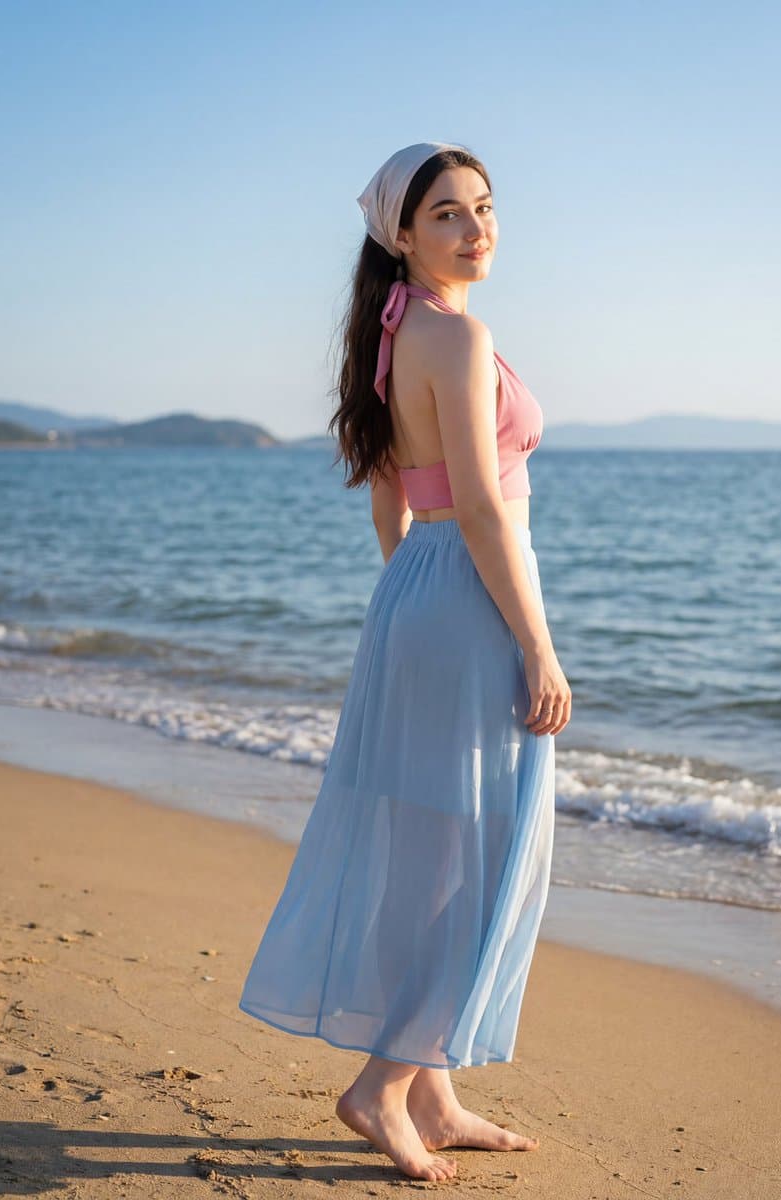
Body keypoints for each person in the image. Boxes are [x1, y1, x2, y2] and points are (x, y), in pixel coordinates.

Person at [238, 141, 572, 1183]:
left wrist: (416, 599)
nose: (475, 228)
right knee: (475, 863)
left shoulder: (395, 334)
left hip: (420, 594)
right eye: (445, 214)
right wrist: (533, 643)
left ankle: (432, 1090)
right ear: (401, 233)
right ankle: (381, 1088)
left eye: (482, 207)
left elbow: (396, 500)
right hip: (466, 594)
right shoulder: (453, 339)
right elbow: (478, 505)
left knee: (436, 859)